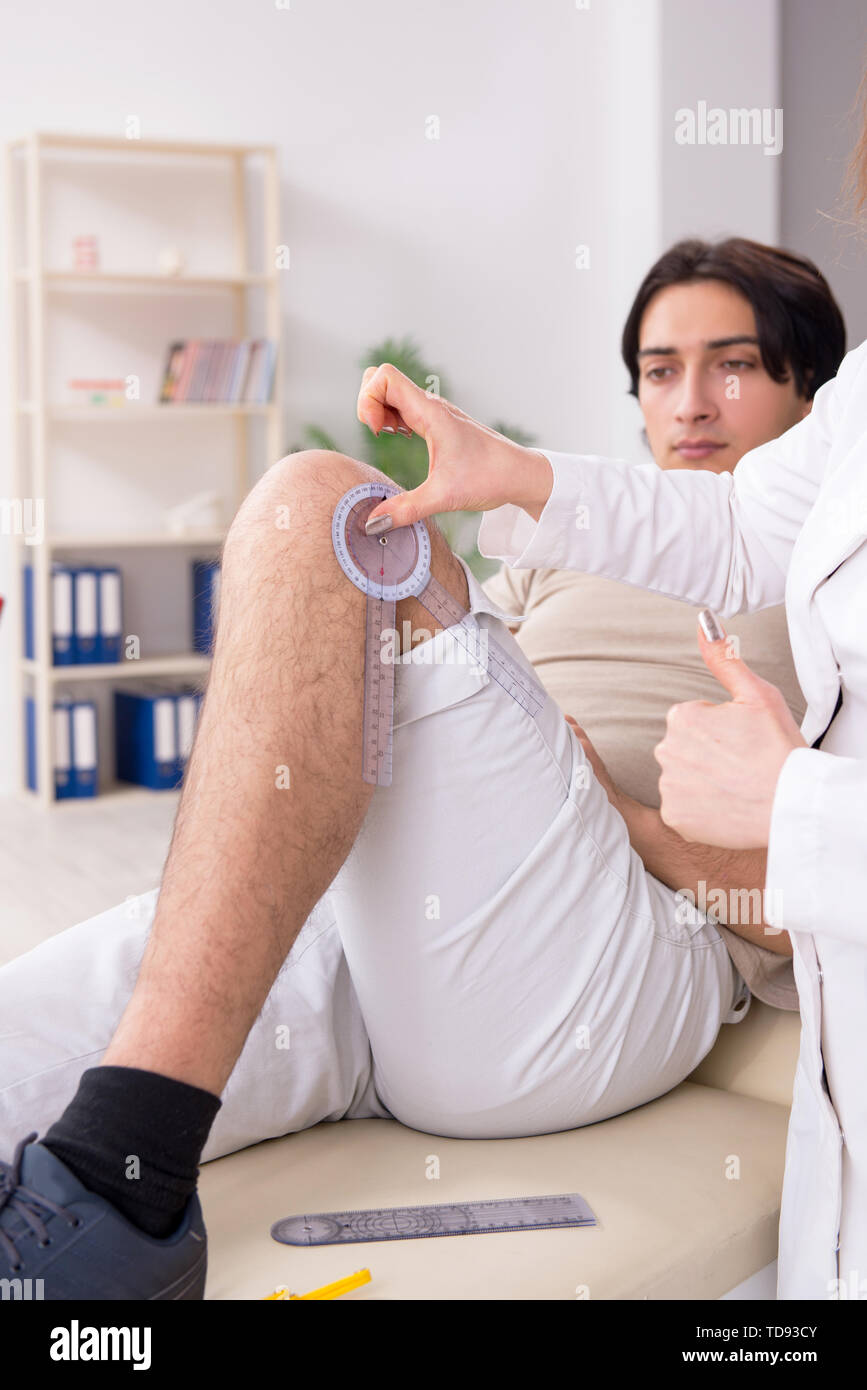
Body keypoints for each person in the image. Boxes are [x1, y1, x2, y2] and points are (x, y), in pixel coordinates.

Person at [0, 239, 844, 1302]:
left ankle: (123, 1189)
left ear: (816, 397)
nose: (690, 403)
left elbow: (825, 885)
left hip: (617, 956)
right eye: (661, 370)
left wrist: (623, 814)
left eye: (733, 364)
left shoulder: (832, 593)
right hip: (410, 916)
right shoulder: (570, 537)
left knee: (331, 511)